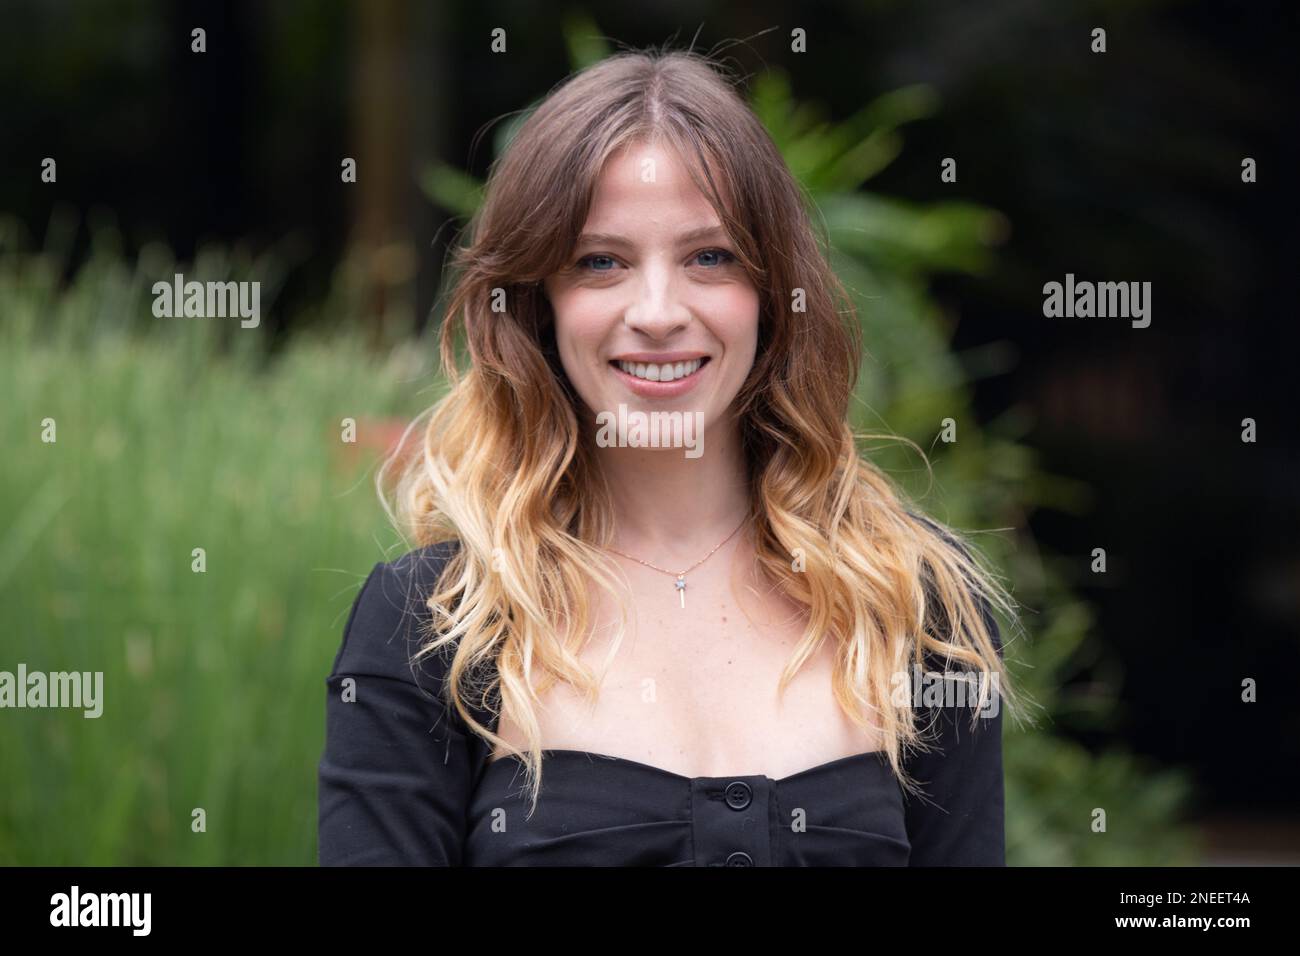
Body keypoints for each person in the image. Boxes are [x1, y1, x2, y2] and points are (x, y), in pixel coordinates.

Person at [318, 48, 1021, 867]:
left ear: (772, 292)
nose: (657, 313)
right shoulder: (435, 624)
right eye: (601, 262)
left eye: (709, 257)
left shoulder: (914, 605)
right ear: (539, 303)